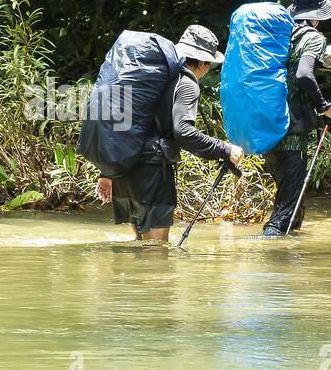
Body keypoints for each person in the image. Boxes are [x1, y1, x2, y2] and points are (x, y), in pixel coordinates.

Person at [96, 26, 243, 242]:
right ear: (202, 63)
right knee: (156, 252)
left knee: (140, 246)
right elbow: (183, 131)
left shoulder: (149, 76)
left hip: (125, 169)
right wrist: (225, 149)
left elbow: (121, 122)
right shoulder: (186, 84)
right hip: (152, 172)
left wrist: (107, 172)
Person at [264, 0, 331, 236]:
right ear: (317, 14)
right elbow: (304, 75)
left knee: (290, 194)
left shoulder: (280, 33)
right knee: (288, 202)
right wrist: (324, 106)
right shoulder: (313, 38)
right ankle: (268, 242)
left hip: (268, 122)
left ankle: (289, 255)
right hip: (293, 128)